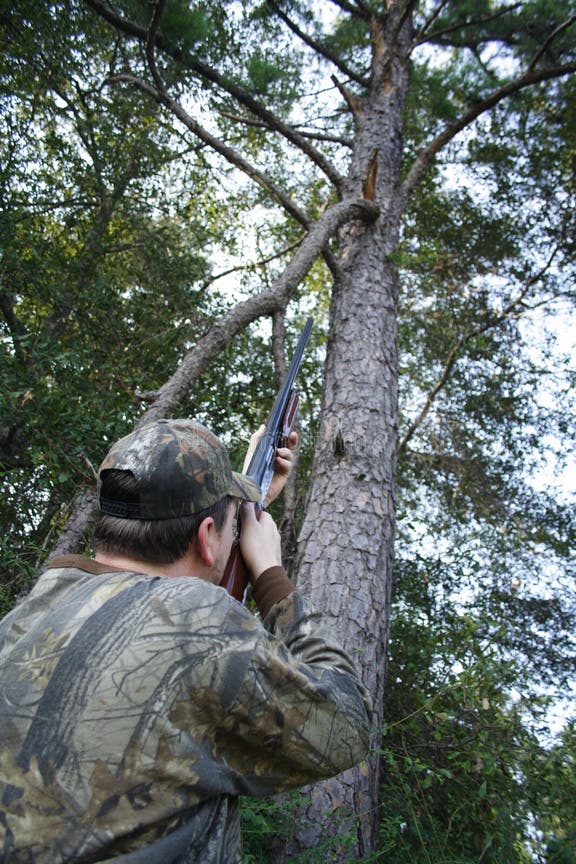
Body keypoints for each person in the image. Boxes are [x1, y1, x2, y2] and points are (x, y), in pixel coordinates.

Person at [0, 418, 372, 863]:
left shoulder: (28, 615)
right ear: (205, 538)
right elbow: (346, 725)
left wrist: (237, 516)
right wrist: (270, 573)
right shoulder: (202, 626)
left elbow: (152, 615)